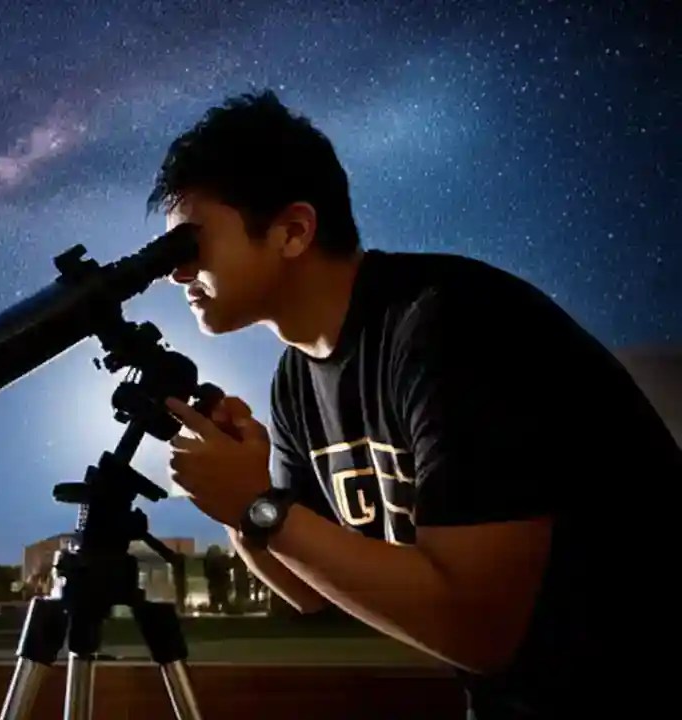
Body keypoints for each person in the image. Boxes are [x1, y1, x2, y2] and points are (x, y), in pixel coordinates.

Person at [149, 88, 678, 718]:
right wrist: (237, 502)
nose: (175, 274)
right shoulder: (295, 379)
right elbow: (307, 592)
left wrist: (258, 506)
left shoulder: (453, 326)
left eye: (190, 247)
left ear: (293, 231)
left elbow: (480, 632)